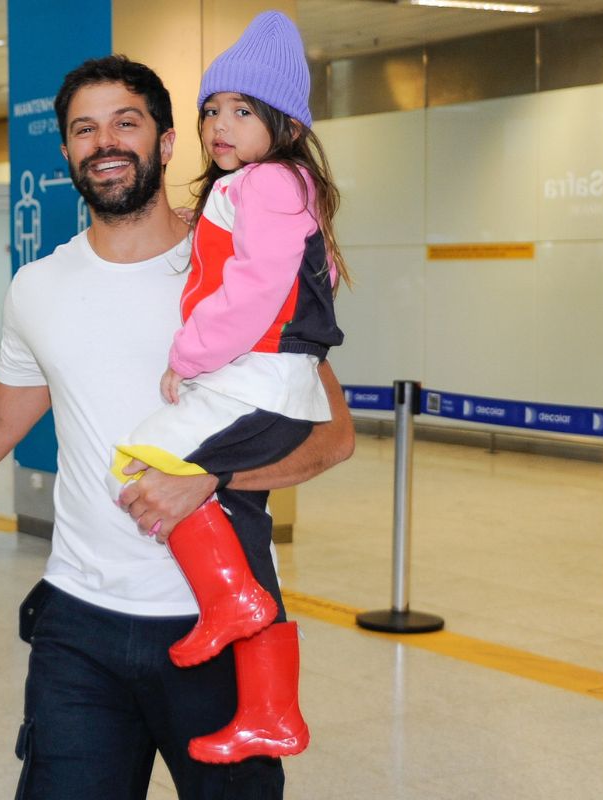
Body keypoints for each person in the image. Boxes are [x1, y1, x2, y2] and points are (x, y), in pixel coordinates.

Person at [0, 55, 353, 799]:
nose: (104, 141)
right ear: (66, 154)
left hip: (215, 624)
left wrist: (210, 477)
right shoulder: (37, 287)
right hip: (78, 623)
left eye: (126, 122)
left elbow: (330, 436)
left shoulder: (238, 267)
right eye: (84, 128)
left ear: (170, 142)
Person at [107, 10, 350, 765]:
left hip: (255, 382)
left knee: (145, 462)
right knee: (243, 530)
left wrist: (190, 352)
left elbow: (253, 290)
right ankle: (273, 713)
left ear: (283, 121)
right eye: (212, 108)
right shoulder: (264, 185)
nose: (220, 123)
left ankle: (226, 602)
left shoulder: (271, 182)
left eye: (242, 110)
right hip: (271, 381)